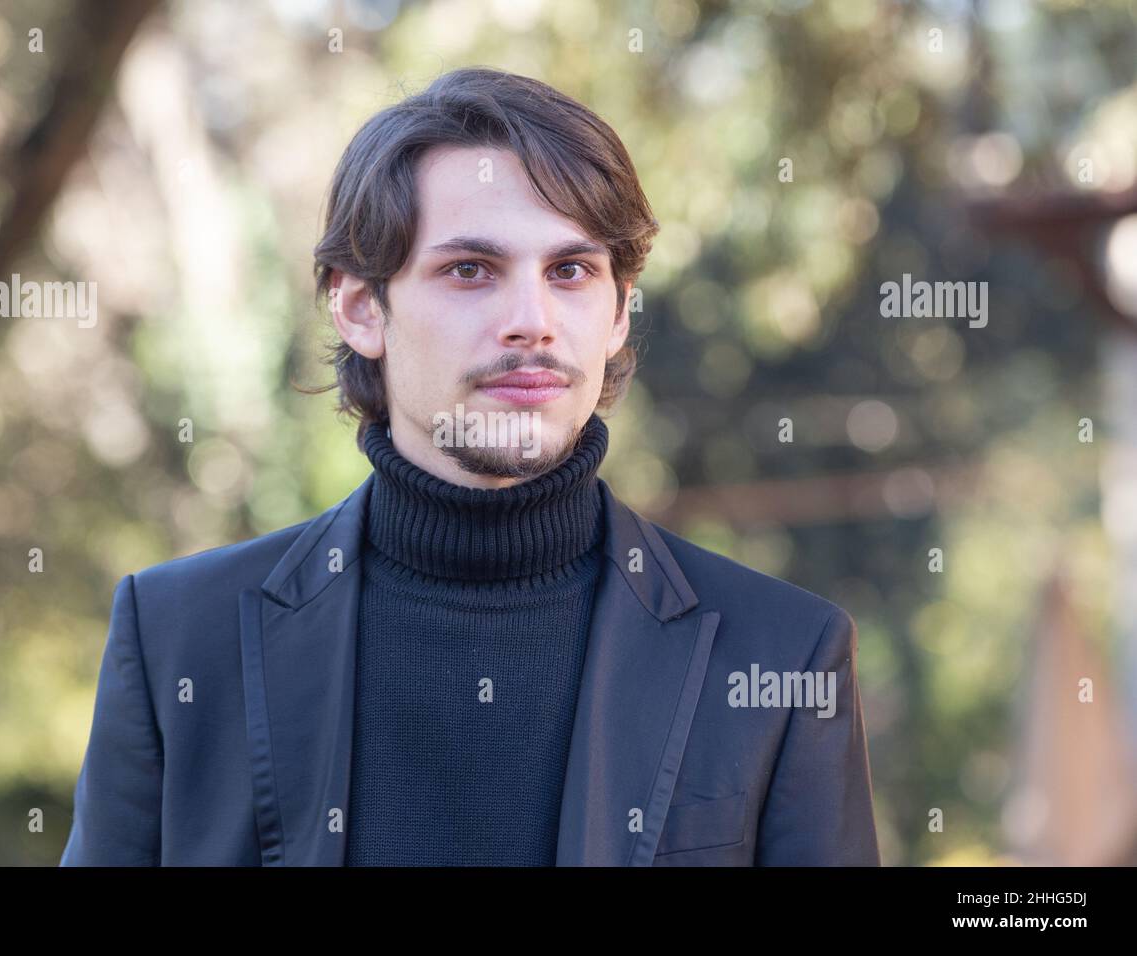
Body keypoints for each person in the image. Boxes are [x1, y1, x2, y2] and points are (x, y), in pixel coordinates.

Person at [61, 66, 880, 867]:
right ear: (359, 308)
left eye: (571, 271)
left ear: (620, 312)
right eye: (470, 270)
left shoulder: (782, 653)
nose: (532, 321)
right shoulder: (178, 637)